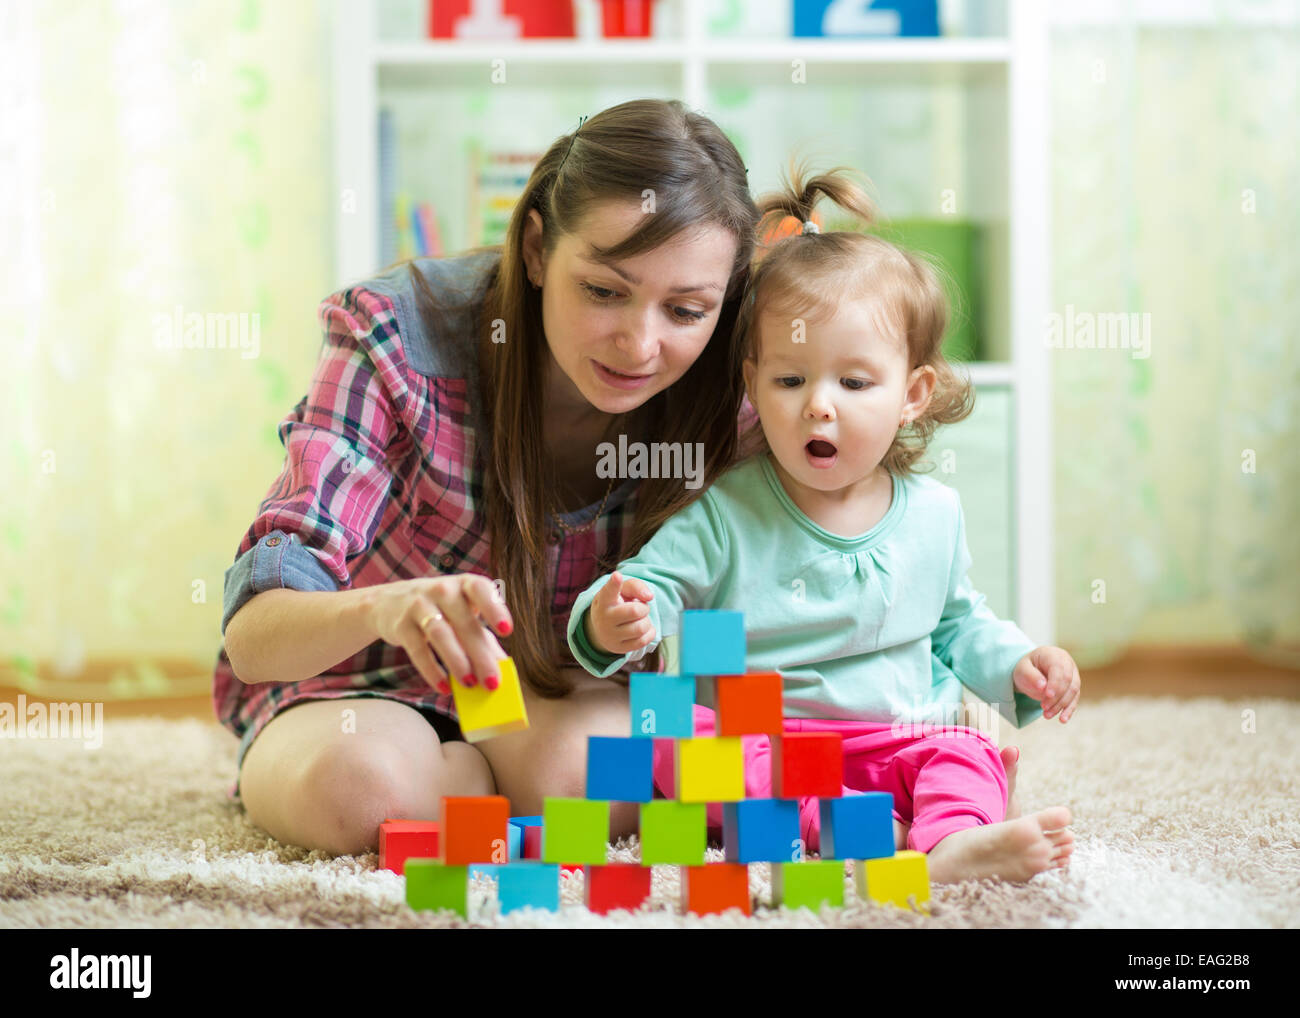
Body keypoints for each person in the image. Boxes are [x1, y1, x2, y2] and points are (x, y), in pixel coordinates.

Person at [214, 98, 765, 855]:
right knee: (362, 796)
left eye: (686, 310)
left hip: (554, 691)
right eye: (604, 291)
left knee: (585, 780)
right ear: (536, 249)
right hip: (355, 684)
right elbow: (254, 637)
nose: (640, 344)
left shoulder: (739, 378)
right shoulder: (394, 335)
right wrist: (387, 609)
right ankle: (456, 781)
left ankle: (482, 788)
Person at [567, 162, 1080, 884]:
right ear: (752, 386)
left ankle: (947, 842)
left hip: (903, 732)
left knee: (969, 750)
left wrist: (1021, 666)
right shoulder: (726, 511)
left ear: (914, 393)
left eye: (855, 382)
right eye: (790, 380)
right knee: (677, 752)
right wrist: (613, 618)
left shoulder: (936, 513)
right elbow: (648, 585)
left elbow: (961, 624)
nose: (819, 406)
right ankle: (872, 830)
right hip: (772, 742)